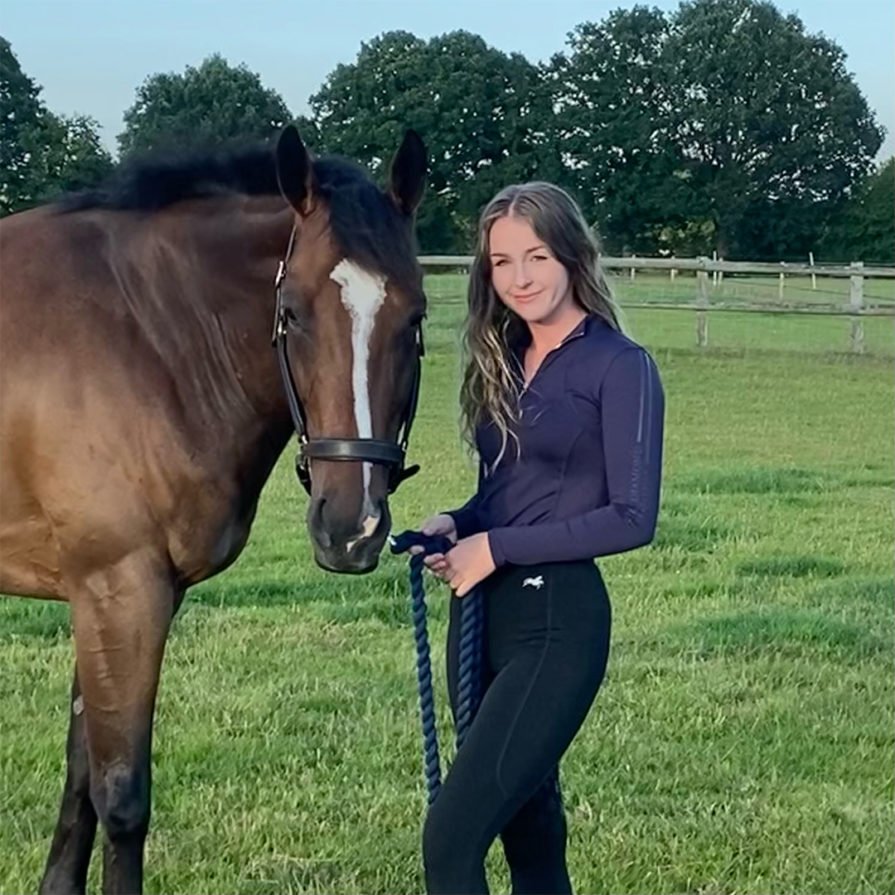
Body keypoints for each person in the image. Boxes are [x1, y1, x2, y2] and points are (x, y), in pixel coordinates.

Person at [414, 181, 665, 894]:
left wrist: (494, 548)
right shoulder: (504, 357)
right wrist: (459, 523)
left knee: (451, 838)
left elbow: (631, 516)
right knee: (530, 831)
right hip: (481, 616)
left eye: (536, 257)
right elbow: (505, 496)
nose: (519, 278)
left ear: (572, 256)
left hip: (557, 623)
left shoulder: (619, 366)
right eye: (501, 262)